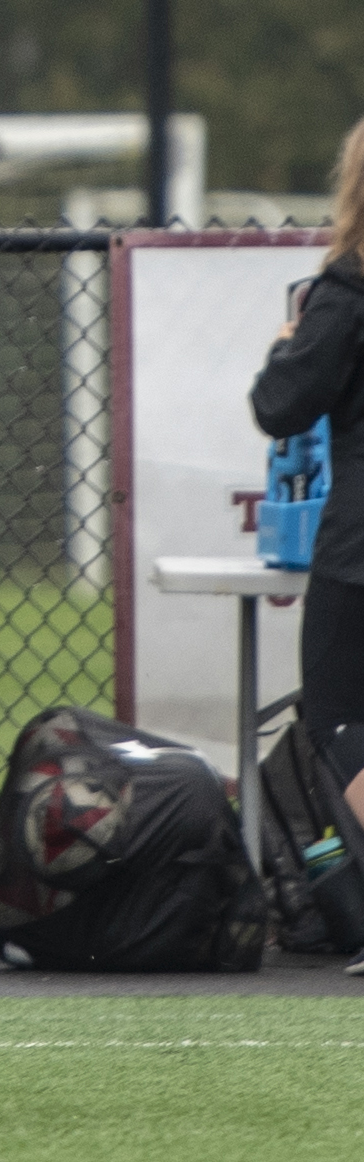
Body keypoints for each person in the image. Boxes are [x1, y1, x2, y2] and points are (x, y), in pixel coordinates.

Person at [250, 112, 364, 978]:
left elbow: (280, 405)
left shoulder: (345, 295)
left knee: (341, 726)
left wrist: (284, 348)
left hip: (360, 551)